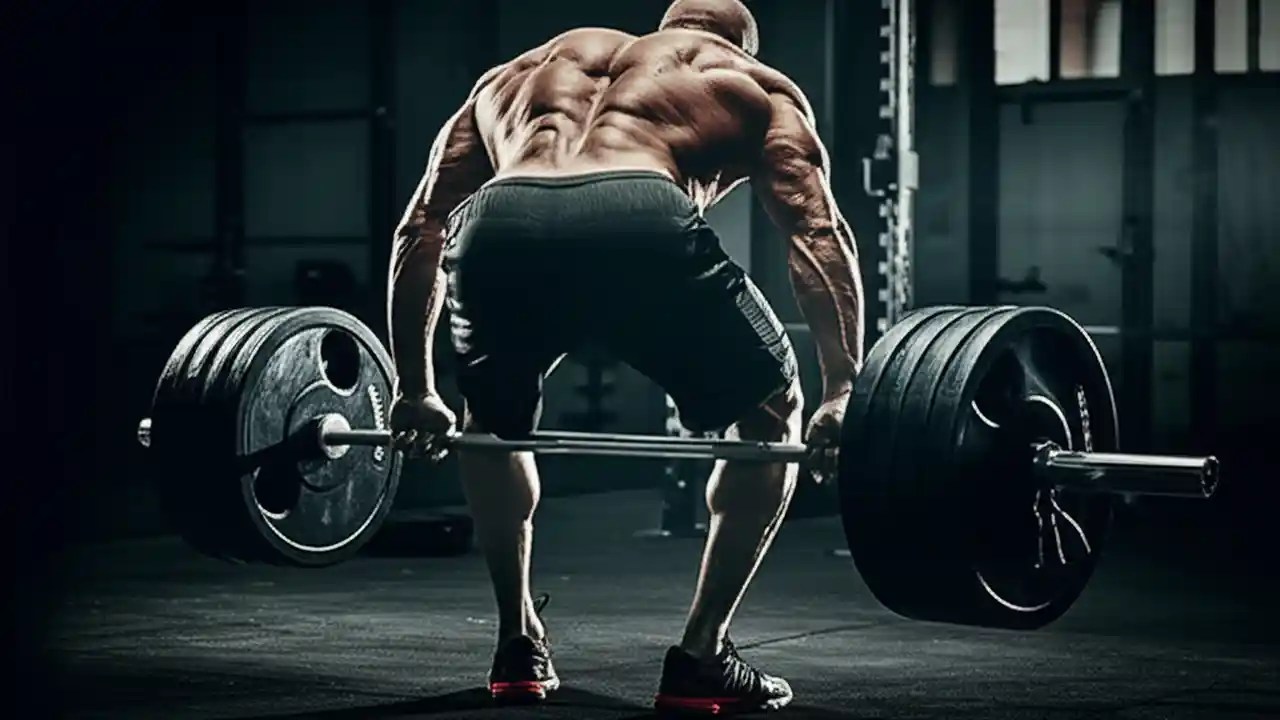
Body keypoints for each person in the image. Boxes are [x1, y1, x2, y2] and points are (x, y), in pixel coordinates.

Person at [385, 0, 863, 713]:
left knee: (490, 424)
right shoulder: (747, 78)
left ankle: (517, 641)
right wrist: (843, 386)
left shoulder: (523, 71)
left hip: (500, 219)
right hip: (637, 214)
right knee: (771, 416)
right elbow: (815, 230)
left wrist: (414, 385)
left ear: (665, 24)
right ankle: (702, 656)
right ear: (739, 42)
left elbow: (419, 228)